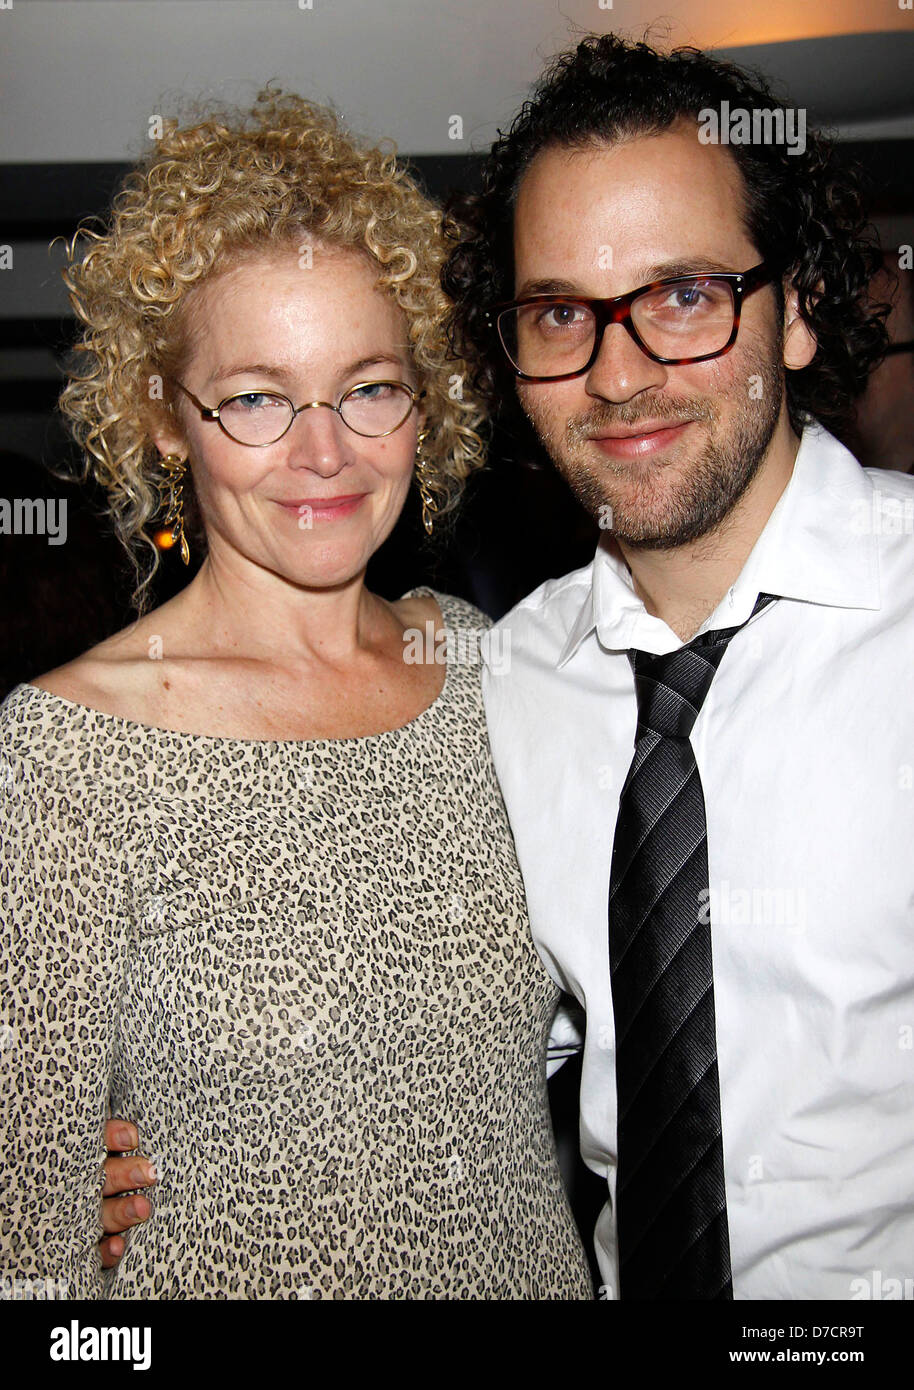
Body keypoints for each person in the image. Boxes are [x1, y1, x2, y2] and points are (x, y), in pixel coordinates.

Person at [0, 90, 593, 1300]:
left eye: (368, 387)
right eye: (258, 398)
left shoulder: (493, 668)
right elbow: (33, 1253)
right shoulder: (64, 752)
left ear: (425, 404)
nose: (323, 453)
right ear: (169, 420)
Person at [442, 35, 914, 1299]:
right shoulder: (494, 681)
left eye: (685, 294)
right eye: (558, 313)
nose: (617, 371)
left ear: (799, 309)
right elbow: (461, 1041)